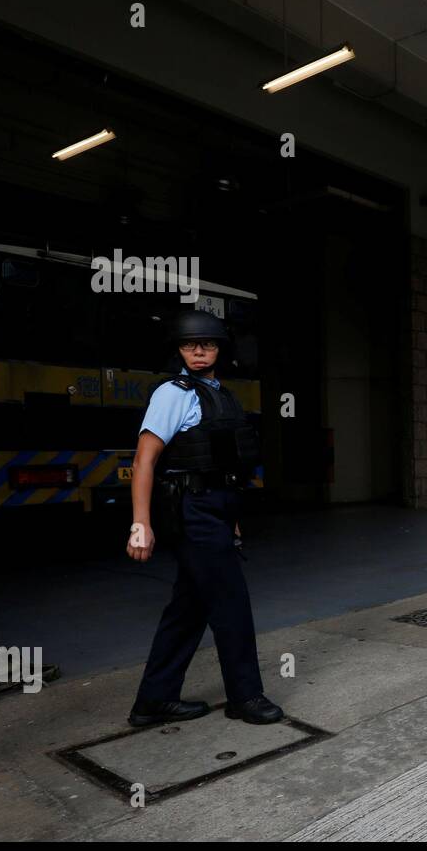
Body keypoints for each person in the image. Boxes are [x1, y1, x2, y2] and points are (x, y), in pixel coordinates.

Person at [126, 309, 283, 726]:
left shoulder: (222, 395)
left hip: (216, 508)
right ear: (177, 349)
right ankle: (245, 697)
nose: (199, 351)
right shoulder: (172, 394)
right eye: (190, 344)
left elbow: (226, 468)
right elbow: (145, 460)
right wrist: (140, 524)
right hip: (191, 512)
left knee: (189, 608)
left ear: (220, 349)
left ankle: (153, 701)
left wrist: (232, 520)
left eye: (208, 344)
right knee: (230, 602)